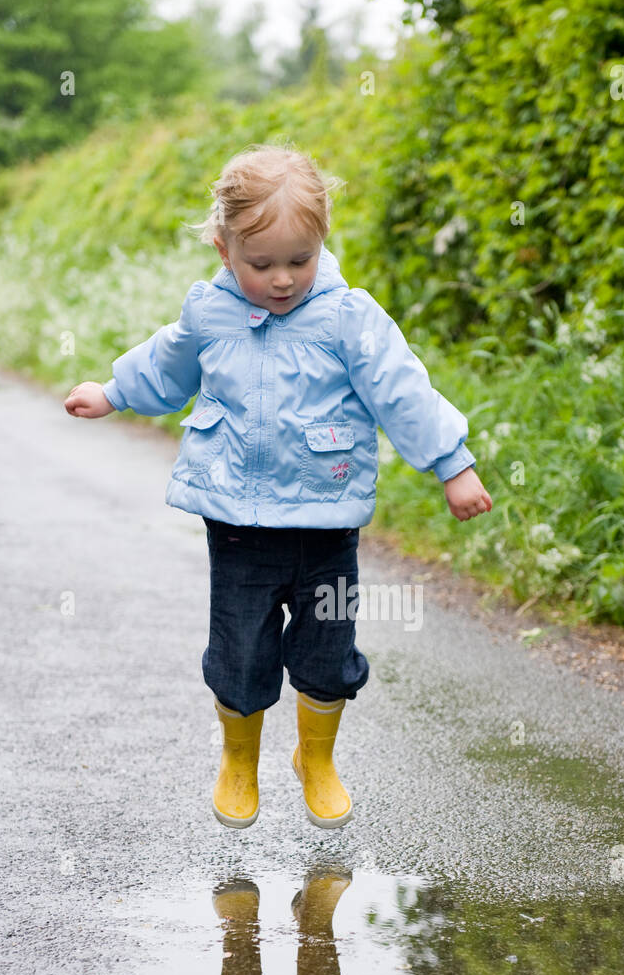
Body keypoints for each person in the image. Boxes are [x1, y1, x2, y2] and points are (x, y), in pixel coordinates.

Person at [64, 143, 492, 830]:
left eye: (301, 259)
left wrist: (452, 463)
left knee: (327, 652)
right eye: (261, 264)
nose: (284, 279)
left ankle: (315, 759)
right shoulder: (210, 312)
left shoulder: (347, 318)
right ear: (223, 247)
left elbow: (400, 389)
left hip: (327, 522)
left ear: (322, 244)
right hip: (237, 522)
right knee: (239, 653)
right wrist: (112, 390)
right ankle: (239, 760)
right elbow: (167, 363)